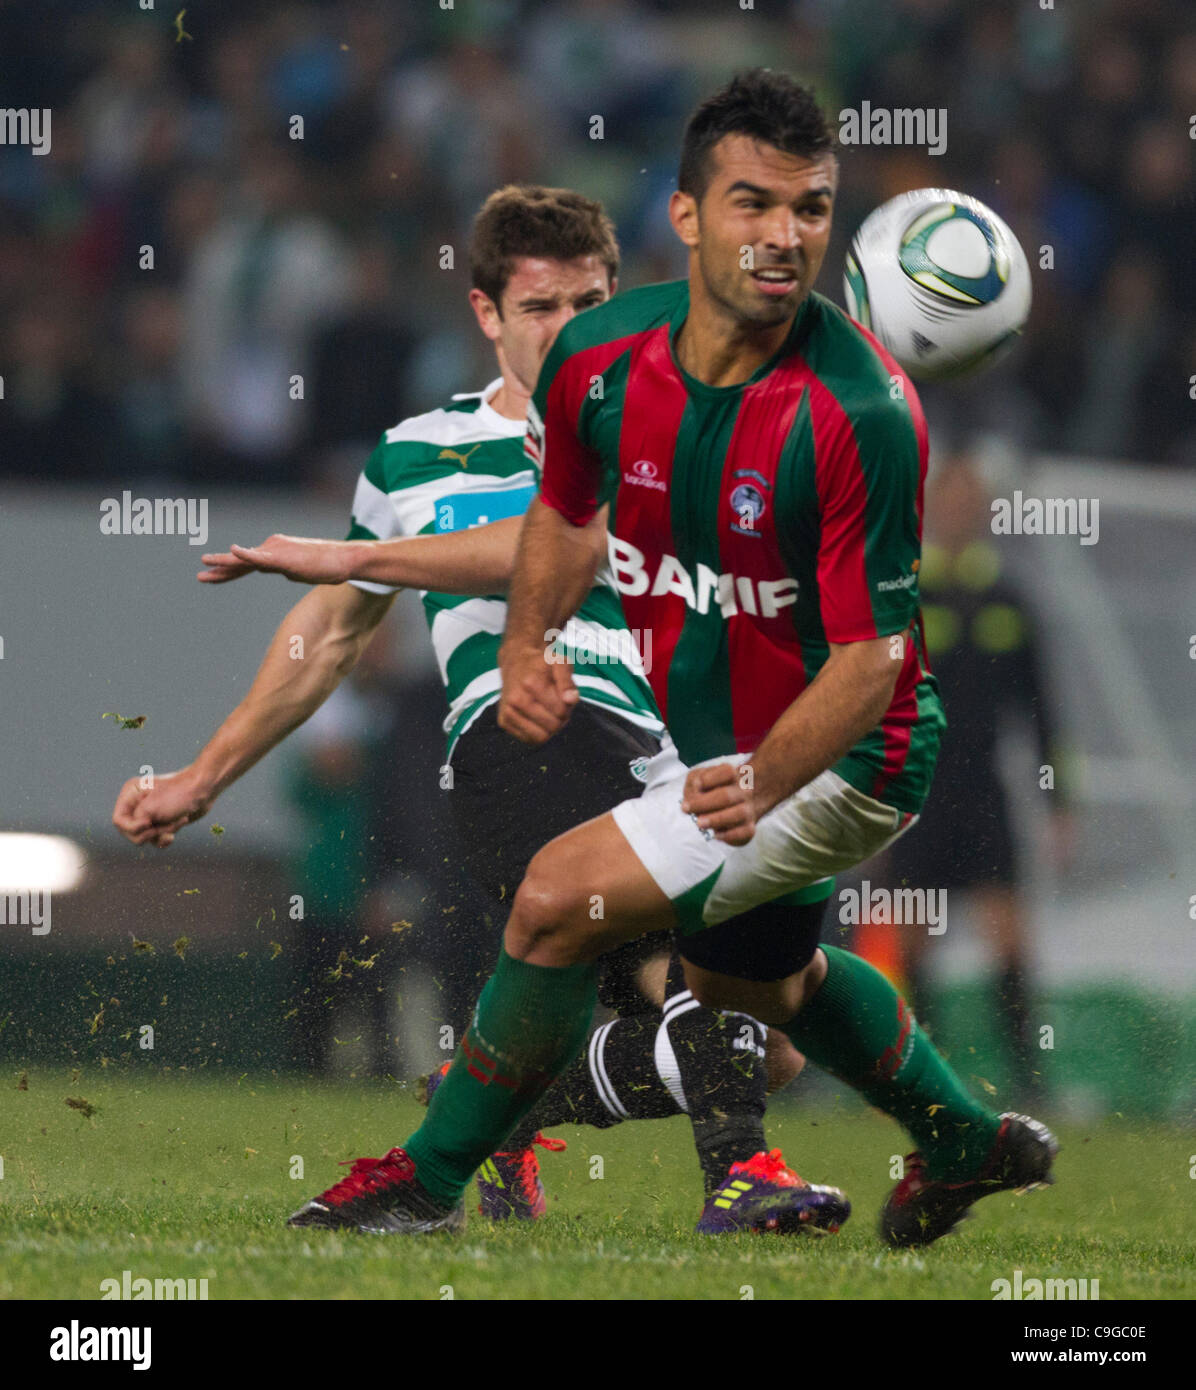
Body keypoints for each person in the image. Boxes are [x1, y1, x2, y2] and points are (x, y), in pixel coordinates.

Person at [285, 71, 1057, 1245]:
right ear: (688, 218)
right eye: (752, 203)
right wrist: (531, 639)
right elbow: (565, 515)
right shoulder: (604, 354)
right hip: (717, 742)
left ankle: (424, 1180)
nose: (783, 235)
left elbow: (866, 664)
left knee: (551, 901)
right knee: (769, 996)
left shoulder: (860, 413)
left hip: (844, 755)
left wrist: (759, 779)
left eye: (809, 208)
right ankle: (962, 1139)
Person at [114, 183, 847, 1237]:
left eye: (588, 304)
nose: (566, 331)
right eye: (540, 307)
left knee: (756, 1047)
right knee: (702, 960)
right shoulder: (414, 453)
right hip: (526, 736)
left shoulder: (659, 432)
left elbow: (581, 547)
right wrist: (202, 773)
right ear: (485, 312)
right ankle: (739, 1180)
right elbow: (327, 633)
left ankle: (489, 1113)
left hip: (665, 750)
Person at [885, 456, 1074, 1104]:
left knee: (1009, 934)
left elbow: (1044, 709)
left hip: (985, 793)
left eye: (974, 500)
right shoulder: (907, 595)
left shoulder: (1009, 599)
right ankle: (927, 1081)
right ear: (932, 508)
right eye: (951, 498)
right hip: (917, 789)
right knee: (913, 933)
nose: (962, 510)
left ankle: (1030, 1079)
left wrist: (1060, 804)